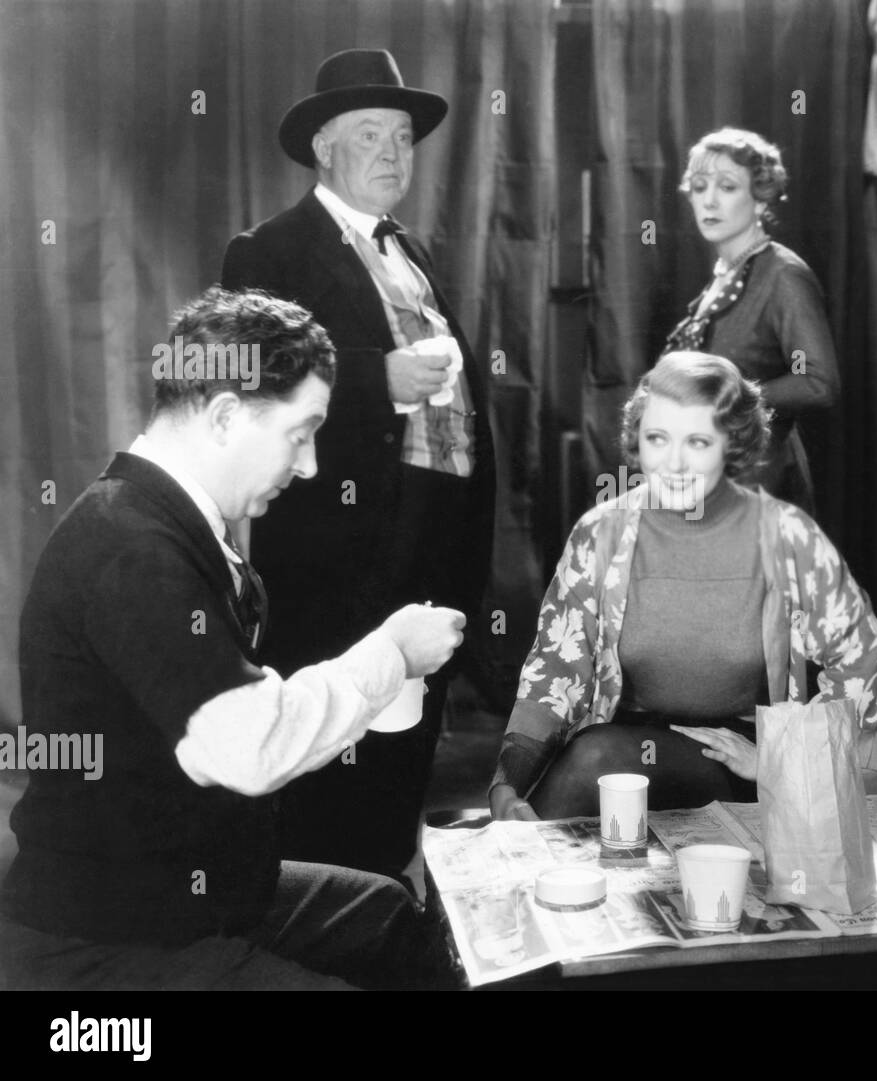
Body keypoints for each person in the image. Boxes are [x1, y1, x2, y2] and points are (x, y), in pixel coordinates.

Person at [0, 287, 465, 990]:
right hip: (104, 943)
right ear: (223, 417)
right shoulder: (130, 548)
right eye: (299, 433)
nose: (308, 465)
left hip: (204, 894)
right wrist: (392, 653)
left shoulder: (171, 523)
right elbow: (250, 747)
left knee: (389, 913)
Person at [221, 49, 496, 888]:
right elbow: (250, 381)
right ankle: (326, 932)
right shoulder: (270, 249)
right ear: (323, 149)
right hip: (335, 559)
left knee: (404, 756)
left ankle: (386, 919)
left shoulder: (409, 251)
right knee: (332, 760)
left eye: (404, 136)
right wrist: (374, 378)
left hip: (427, 547)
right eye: (370, 133)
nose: (392, 152)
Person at [490, 352, 877, 821]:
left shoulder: (787, 537)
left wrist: (782, 758)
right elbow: (555, 670)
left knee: (595, 761)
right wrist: (507, 784)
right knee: (596, 762)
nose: (674, 463)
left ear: (733, 444)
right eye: (658, 439)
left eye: (698, 442)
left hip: (741, 761)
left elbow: (868, 669)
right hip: (627, 745)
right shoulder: (601, 533)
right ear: (636, 441)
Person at [664, 128, 839, 516]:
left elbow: (819, 384)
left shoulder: (782, 275)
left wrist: (724, 400)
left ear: (760, 199)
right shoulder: (727, 272)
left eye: (727, 187)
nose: (708, 200)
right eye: (698, 186)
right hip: (712, 481)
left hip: (760, 484)